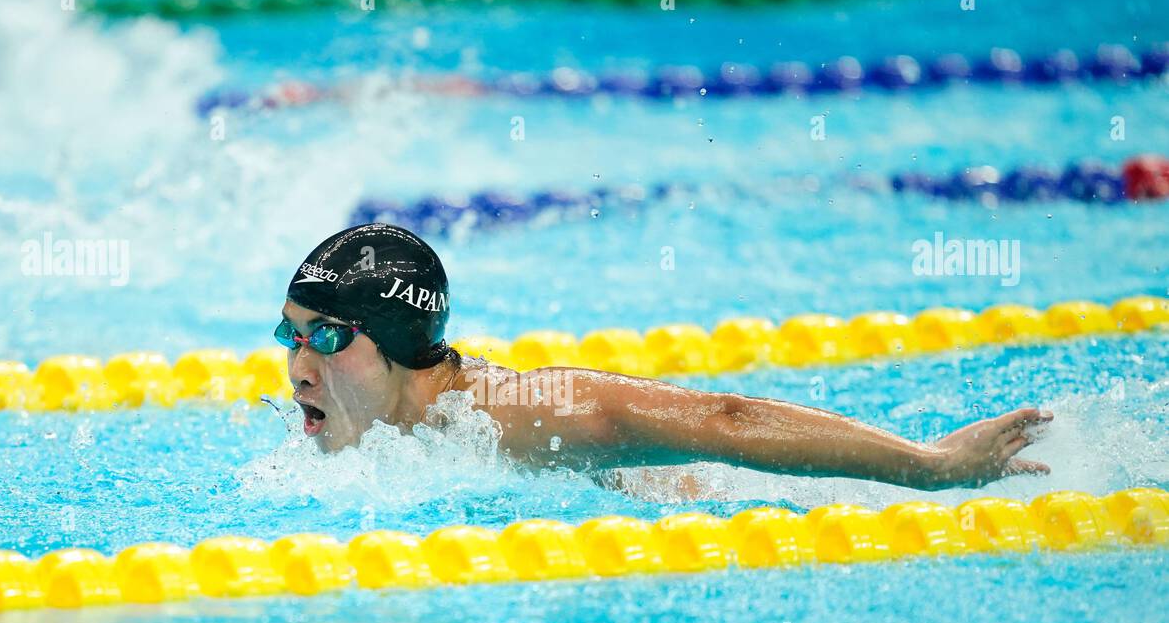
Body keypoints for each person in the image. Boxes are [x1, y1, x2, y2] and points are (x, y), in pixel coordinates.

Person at [275, 223, 1050, 490]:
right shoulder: (371, 435)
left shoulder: (519, 413)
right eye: (291, 334)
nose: (298, 367)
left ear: (403, 342)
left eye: (329, 336)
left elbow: (723, 416)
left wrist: (928, 465)